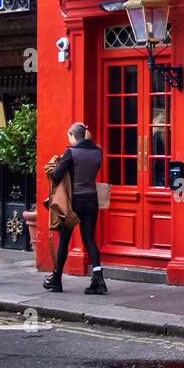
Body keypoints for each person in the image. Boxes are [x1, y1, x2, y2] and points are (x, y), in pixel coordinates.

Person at [43, 122, 106, 295]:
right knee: (89, 240)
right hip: (91, 200)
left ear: (73, 135)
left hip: (72, 202)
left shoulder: (71, 152)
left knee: (64, 240)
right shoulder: (97, 152)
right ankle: (98, 279)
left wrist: (59, 162)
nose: (68, 140)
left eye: (69, 136)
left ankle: (56, 280)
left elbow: (56, 177)